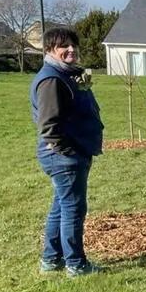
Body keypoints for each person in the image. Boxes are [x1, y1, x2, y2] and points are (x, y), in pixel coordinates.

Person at [32, 27, 106, 277]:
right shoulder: (51, 80)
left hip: (72, 152)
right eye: (64, 46)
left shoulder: (67, 75)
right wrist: (67, 152)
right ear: (50, 50)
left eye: (74, 45)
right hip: (65, 156)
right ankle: (76, 264)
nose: (71, 50)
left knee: (61, 206)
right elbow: (48, 125)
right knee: (73, 208)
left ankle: (51, 260)